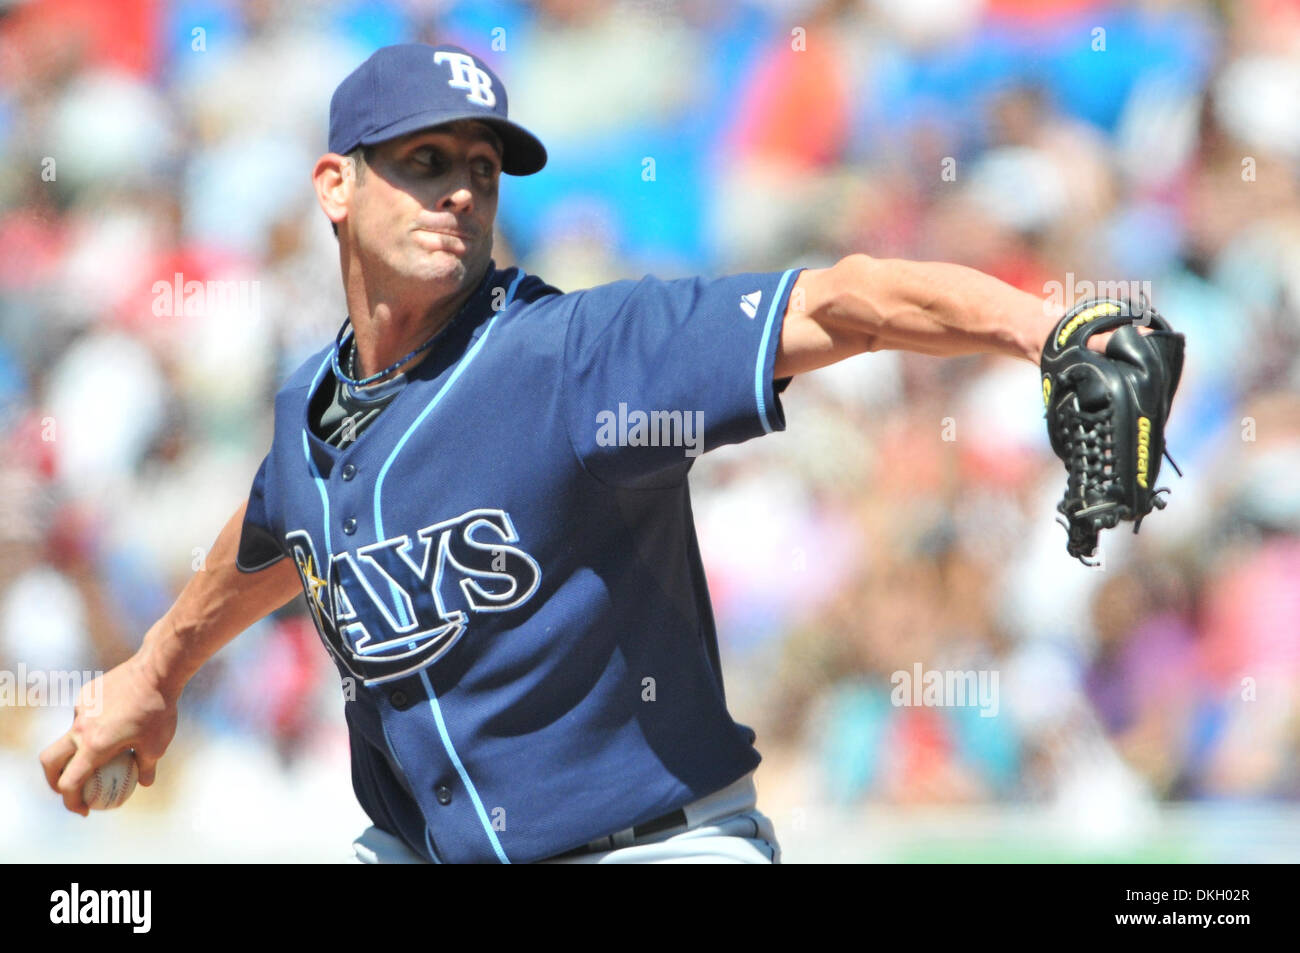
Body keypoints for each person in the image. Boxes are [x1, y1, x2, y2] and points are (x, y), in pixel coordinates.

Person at [40, 42, 1097, 864]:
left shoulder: (578, 355)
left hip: (655, 844)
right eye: (423, 162)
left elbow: (840, 303)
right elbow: (280, 525)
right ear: (334, 185)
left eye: (480, 168)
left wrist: (1046, 331)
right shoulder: (307, 409)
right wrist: (159, 663)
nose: (460, 189)